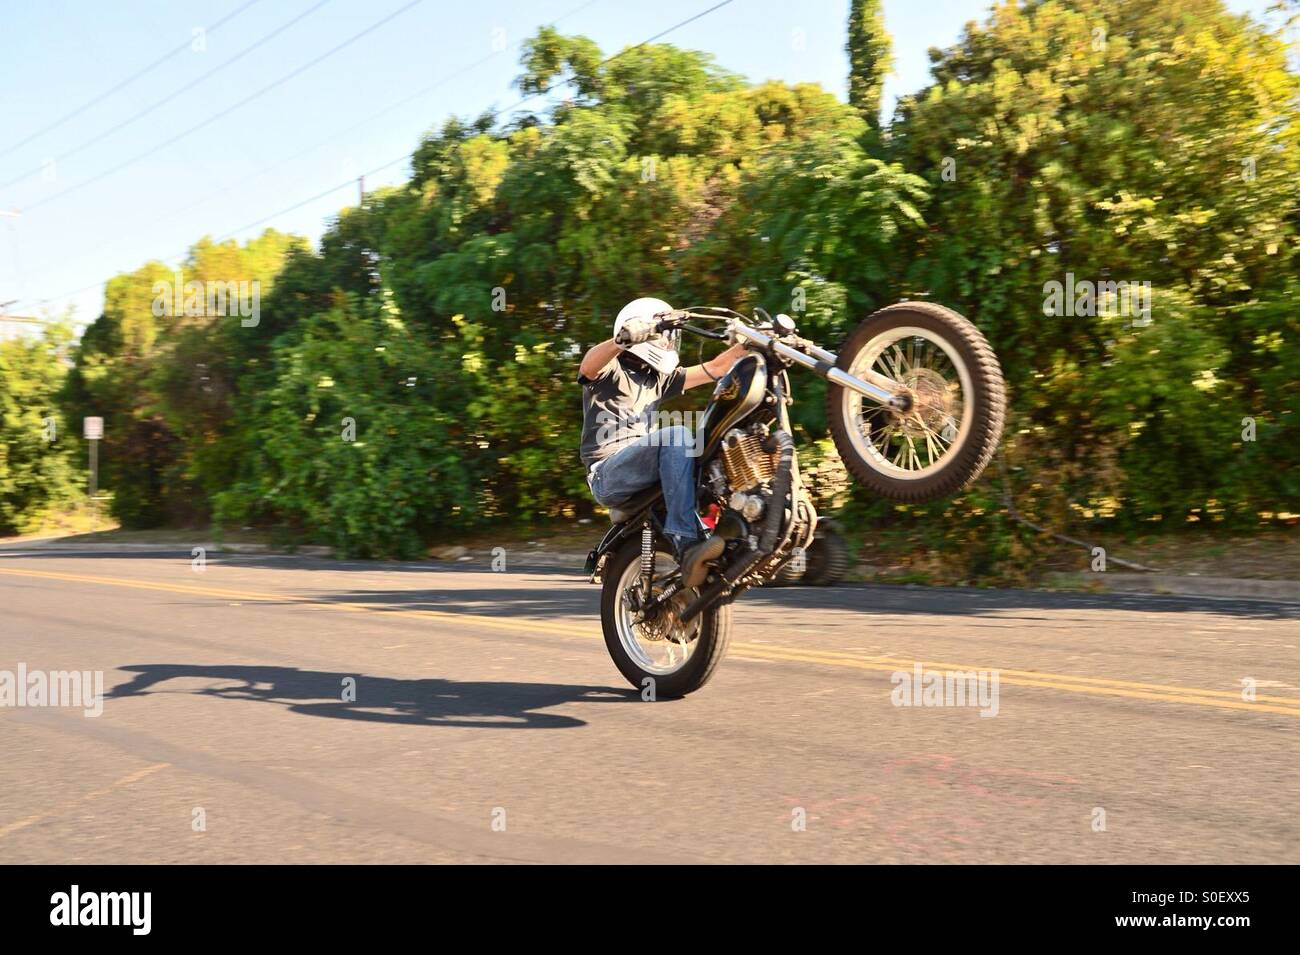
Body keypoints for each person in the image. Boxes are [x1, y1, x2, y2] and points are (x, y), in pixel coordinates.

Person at [578, 297, 747, 583]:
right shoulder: (611, 369)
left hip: (640, 470)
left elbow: (718, 368)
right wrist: (620, 341)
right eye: (663, 335)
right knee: (678, 434)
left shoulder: (658, 379)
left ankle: (720, 534)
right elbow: (587, 367)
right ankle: (684, 538)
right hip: (607, 474)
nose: (669, 343)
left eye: (670, 337)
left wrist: (756, 342)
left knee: (708, 447)